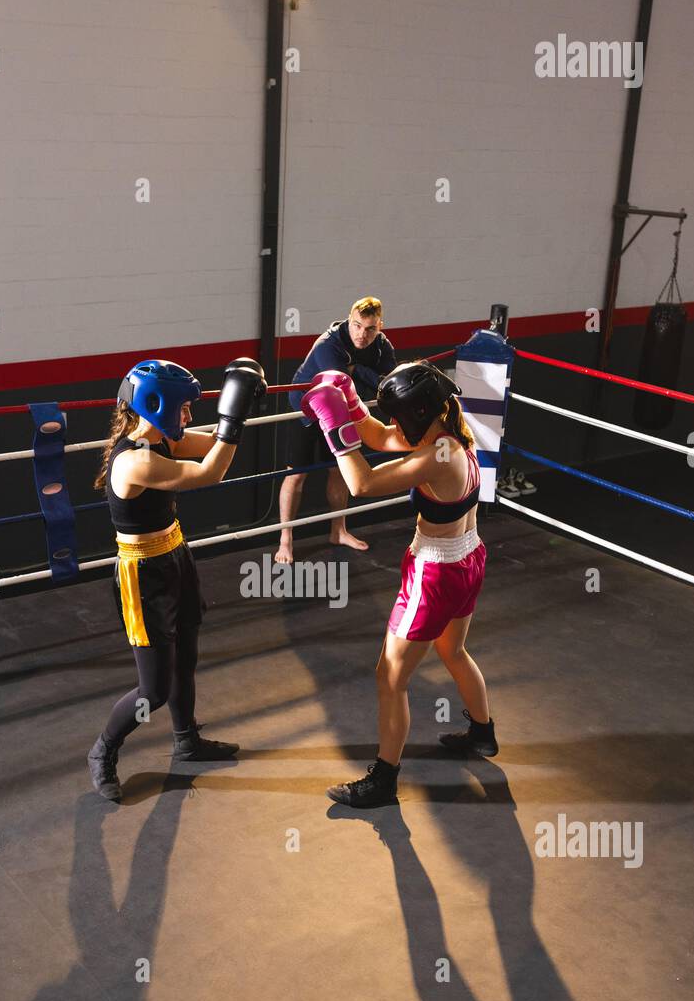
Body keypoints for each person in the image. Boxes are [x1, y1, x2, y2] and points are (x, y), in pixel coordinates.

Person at [300, 363, 497, 809]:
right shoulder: (449, 435)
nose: (392, 425)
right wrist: (348, 402)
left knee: (389, 678)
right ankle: (483, 734)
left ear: (415, 415)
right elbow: (378, 436)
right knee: (453, 650)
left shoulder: (433, 457)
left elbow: (361, 483)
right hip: (469, 557)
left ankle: (383, 781)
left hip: (436, 573)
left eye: (397, 417)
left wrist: (333, 427)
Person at [87, 356, 266, 802]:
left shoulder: (163, 439)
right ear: (155, 404)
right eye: (183, 408)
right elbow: (212, 471)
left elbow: (211, 445)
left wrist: (234, 418)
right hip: (143, 574)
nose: (188, 416)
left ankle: (186, 740)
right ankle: (102, 751)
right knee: (155, 689)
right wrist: (233, 415)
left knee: (187, 656)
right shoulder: (134, 463)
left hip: (176, 557)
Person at [275, 297, 397, 564]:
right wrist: (364, 376)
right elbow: (343, 385)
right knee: (296, 475)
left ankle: (338, 531)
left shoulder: (382, 346)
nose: (362, 334)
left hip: (342, 411)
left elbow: (388, 384)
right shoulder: (328, 344)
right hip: (306, 411)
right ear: (348, 320)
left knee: (339, 471)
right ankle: (286, 539)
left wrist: (359, 369)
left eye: (370, 329)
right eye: (356, 326)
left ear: (380, 327)